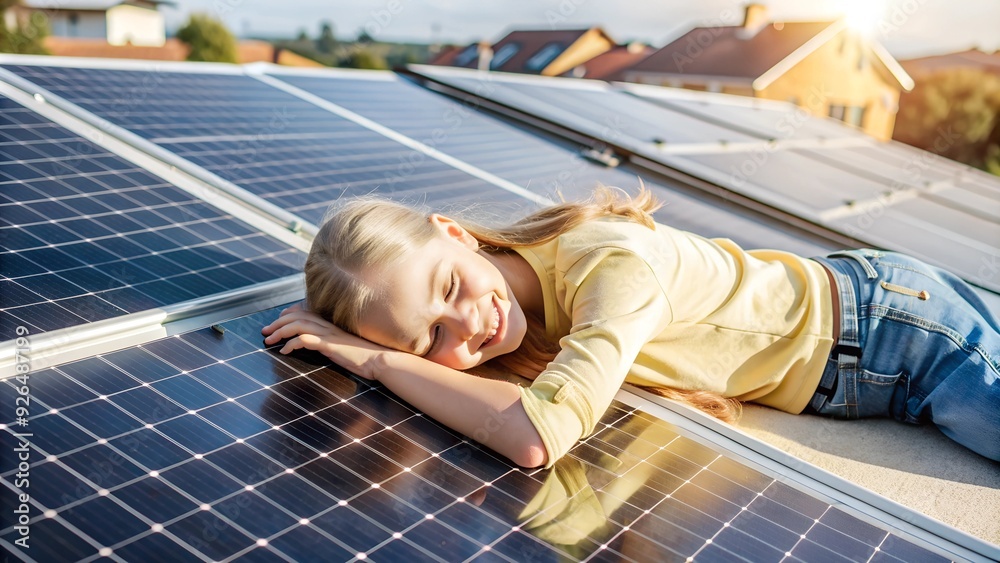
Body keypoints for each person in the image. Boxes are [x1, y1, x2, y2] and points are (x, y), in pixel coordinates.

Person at [261, 185, 1000, 467]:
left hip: (900, 335)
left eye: (450, 285)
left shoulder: (609, 270)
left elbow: (533, 437)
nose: (467, 324)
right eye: (426, 338)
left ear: (454, 233)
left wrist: (382, 362)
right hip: (868, 331)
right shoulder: (532, 296)